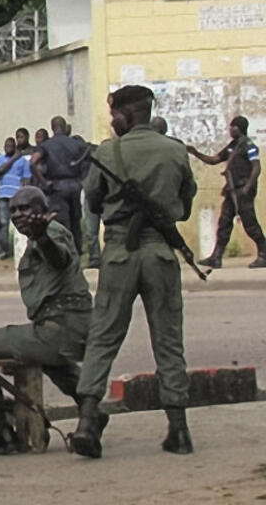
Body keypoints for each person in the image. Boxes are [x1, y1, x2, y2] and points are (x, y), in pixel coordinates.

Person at [71, 85, 198, 459]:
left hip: (119, 254)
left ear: (128, 114)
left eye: (115, 115)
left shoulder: (108, 152)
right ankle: (179, 430)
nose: (112, 121)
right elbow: (185, 205)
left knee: (103, 338)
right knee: (169, 341)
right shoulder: (175, 150)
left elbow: (92, 202)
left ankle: (88, 423)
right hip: (160, 253)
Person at [0, 187, 96, 454]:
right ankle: (92, 413)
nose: (18, 215)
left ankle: (0, 431)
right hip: (67, 329)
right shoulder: (41, 235)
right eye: (13, 210)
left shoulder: (51, 233)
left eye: (26, 209)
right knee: (53, 362)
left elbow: (59, 259)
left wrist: (42, 237)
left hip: (58, 330)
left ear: (44, 212)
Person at [187, 115, 264, 269]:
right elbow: (214, 159)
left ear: (239, 128)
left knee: (250, 224)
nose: (230, 129)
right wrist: (195, 153)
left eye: (232, 127)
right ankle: (216, 257)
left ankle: (264, 254)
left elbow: (256, 167)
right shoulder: (232, 146)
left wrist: (248, 187)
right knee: (224, 223)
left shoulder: (249, 145)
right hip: (231, 191)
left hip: (243, 191)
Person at [29, 116, 90, 254]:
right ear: (65, 127)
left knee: (61, 223)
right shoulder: (76, 144)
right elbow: (88, 159)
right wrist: (82, 179)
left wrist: (44, 182)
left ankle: (65, 253)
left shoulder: (47, 145)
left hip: (56, 186)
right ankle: (78, 252)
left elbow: (32, 162)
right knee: (76, 221)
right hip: (75, 185)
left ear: (52, 127)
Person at [0, 137, 32, 259]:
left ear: (15, 147)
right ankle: (5, 250)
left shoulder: (23, 161)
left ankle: (22, 250)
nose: (8, 148)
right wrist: (14, 158)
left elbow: (27, 179)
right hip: (2, 196)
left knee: (20, 223)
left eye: (11, 146)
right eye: (6, 146)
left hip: (17, 196)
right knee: (3, 223)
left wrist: (26, 196)